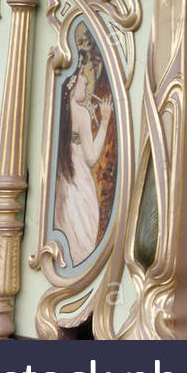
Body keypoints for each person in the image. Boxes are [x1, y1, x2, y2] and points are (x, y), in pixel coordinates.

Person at [53, 65, 113, 264]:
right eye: (81, 75)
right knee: (82, 242)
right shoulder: (80, 113)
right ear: (72, 82)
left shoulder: (59, 113)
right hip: (81, 190)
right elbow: (91, 157)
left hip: (65, 190)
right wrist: (104, 121)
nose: (86, 81)